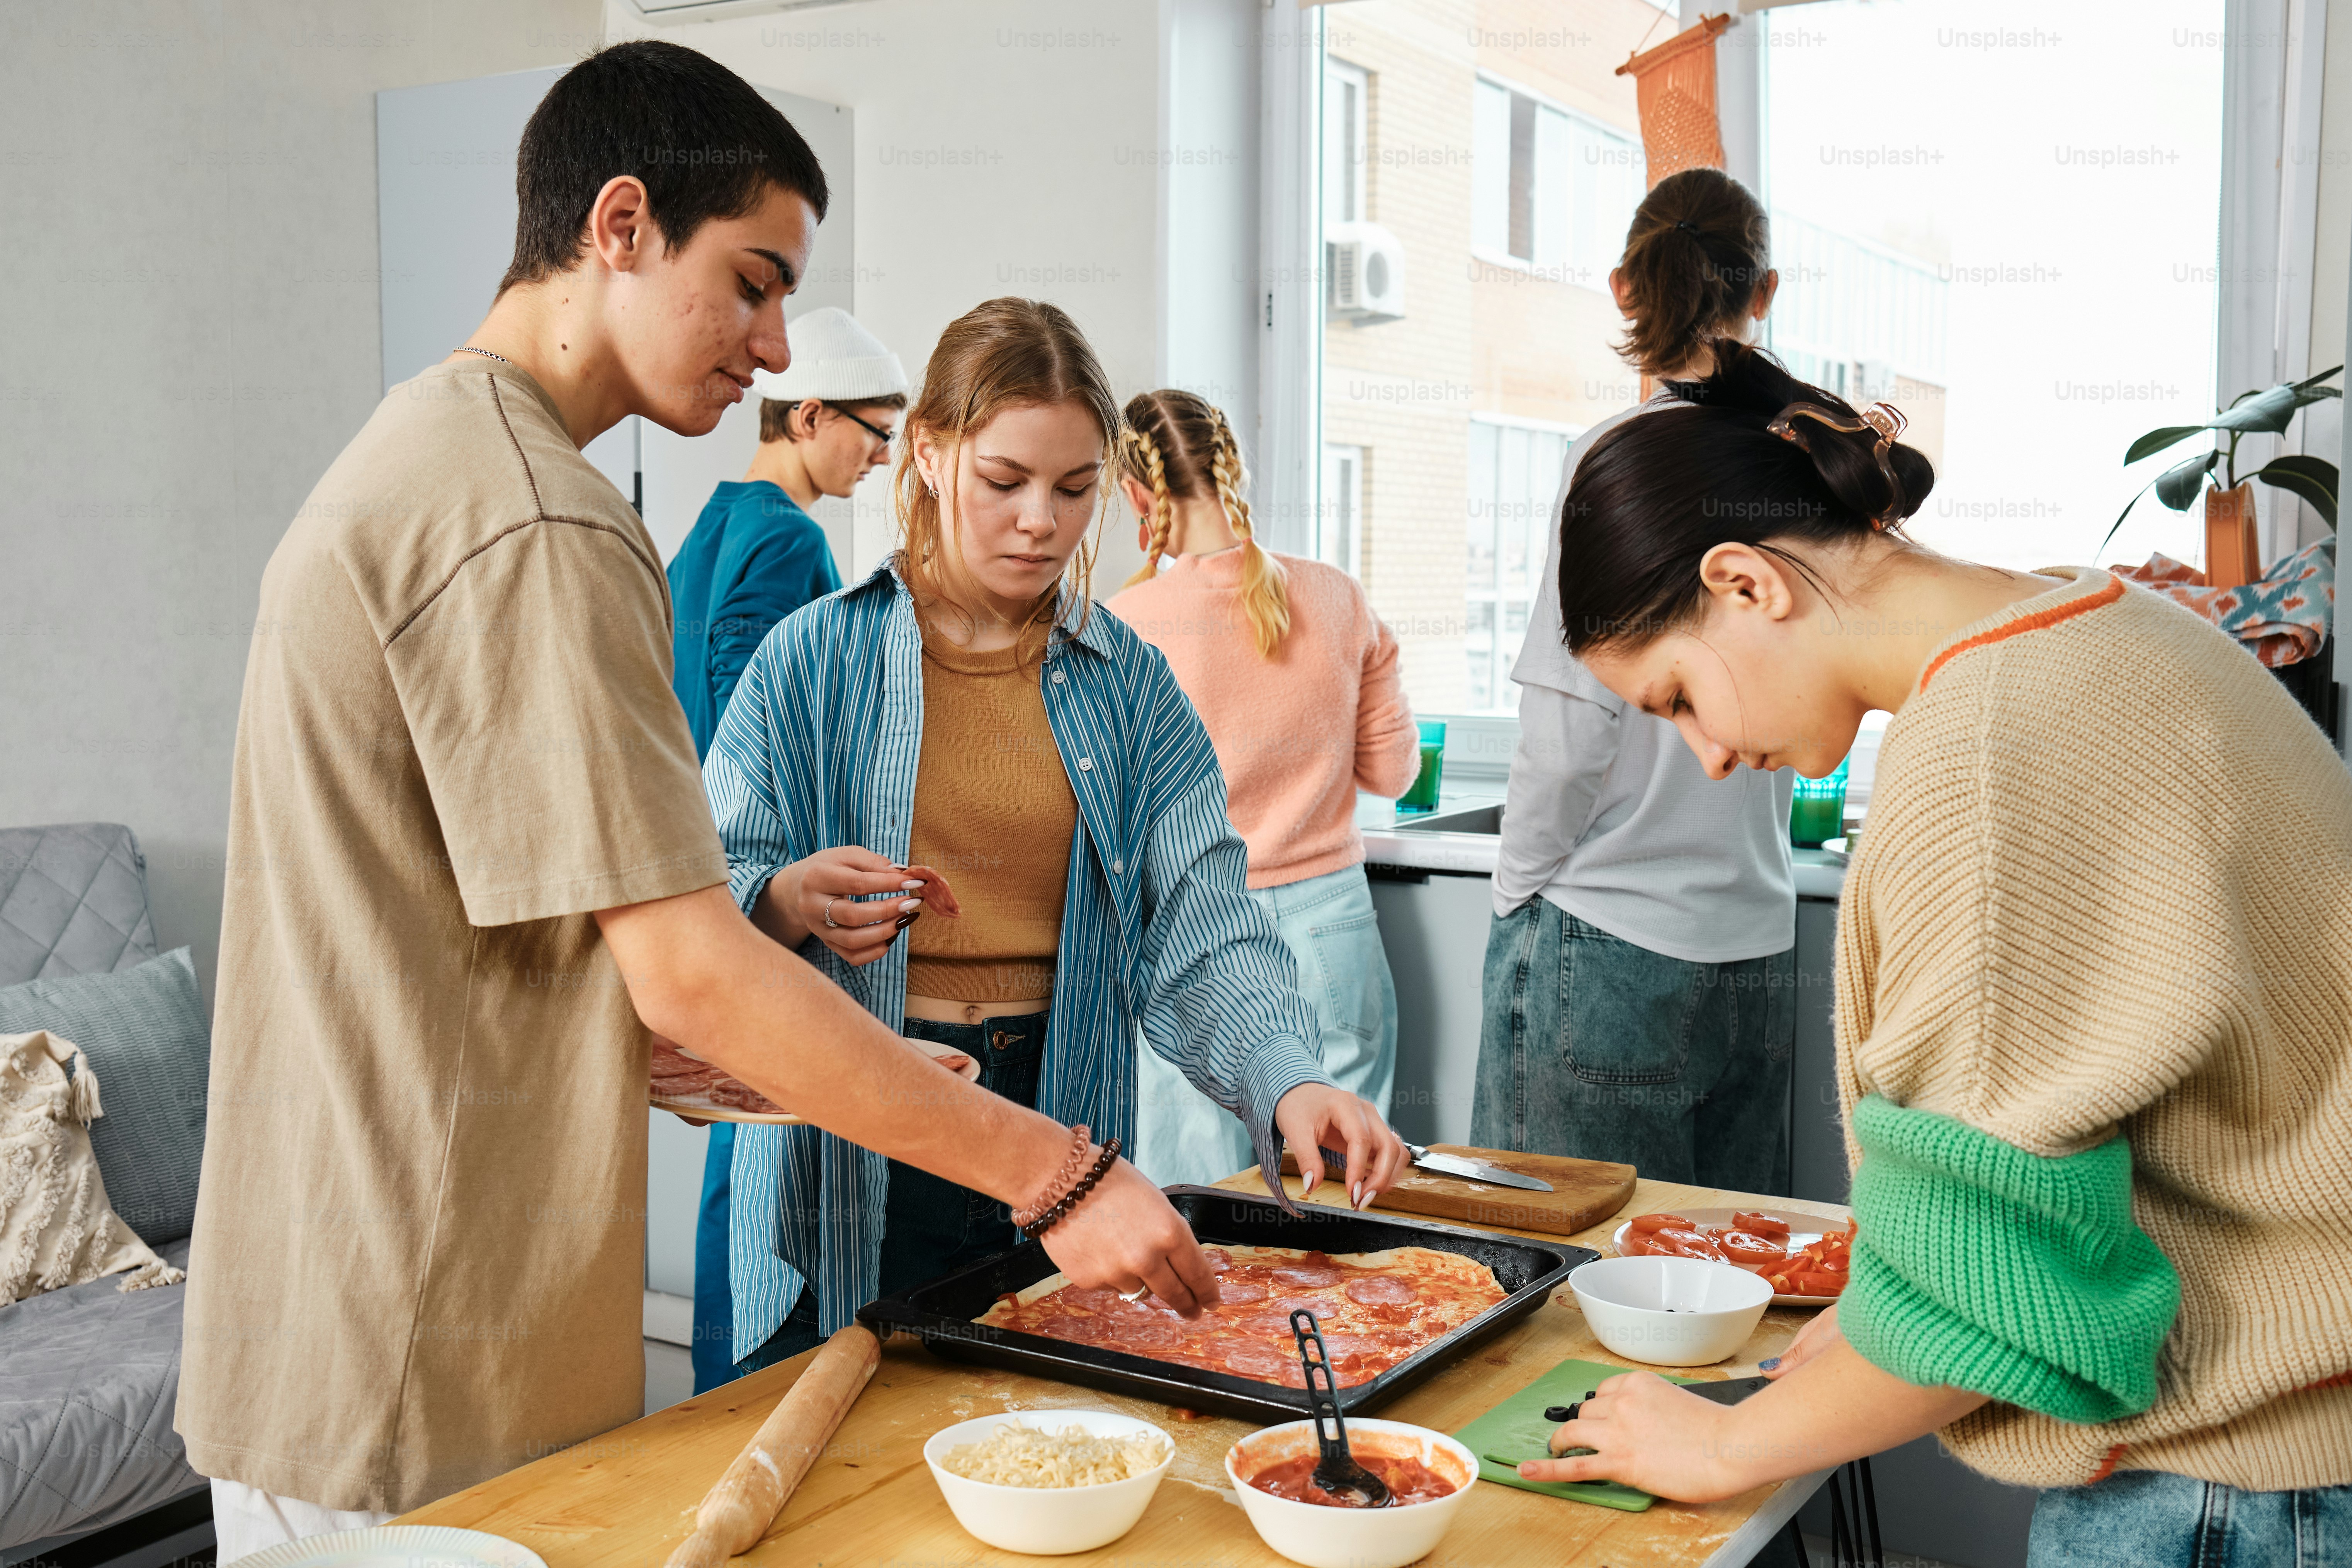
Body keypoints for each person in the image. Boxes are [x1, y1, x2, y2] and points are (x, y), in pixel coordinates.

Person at [178, 47, 1232, 1562]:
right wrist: (1054, 1171)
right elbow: (685, 954)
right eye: (751, 283)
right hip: (414, 1336)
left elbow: (472, 922)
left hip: (330, 1312)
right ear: (618, 226)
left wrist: (700, 1053)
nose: (776, 345)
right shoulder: (536, 514)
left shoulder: (431, 453)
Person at [1511, 341, 2352, 1565]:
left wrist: (1726, 1445)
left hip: (2233, 1490)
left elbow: (1996, 1309)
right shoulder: (2090, 622)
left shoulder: (1987, 756)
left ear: (1747, 584)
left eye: (1678, 697)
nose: (1702, 753)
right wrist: (1866, 1320)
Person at [705, 298, 1409, 1367]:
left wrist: (1287, 1075)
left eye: (1076, 490)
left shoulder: (1130, 686)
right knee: (842, 1439)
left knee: (1029, 1433)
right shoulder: (811, 659)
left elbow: (1204, 927)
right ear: (932, 454)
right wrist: (782, 896)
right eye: (1006, 482)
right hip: (859, 1121)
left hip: (1057, 1118)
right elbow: (705, 885)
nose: (1042, 519)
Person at [1473, 166, 1796, 1193]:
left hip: (1606, 934)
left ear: (1625, 288)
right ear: (1766, 290)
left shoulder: (1617, 459)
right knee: (1730, 1280)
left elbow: (1571, 729)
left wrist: (1517, 892)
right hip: (1755, 943)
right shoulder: (1798, 461)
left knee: (1560, 1281)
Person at [666, 306, 908, 1392]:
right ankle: (752, 1401)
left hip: (706, 882)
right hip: (758, 892)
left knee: (741, 1151)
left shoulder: (707, 526)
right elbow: (742, 716)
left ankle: (725, 1396)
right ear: (807, 413)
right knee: (767, 1158)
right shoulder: (787, 537)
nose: (883, 456)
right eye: (872, 430)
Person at [1104, 390, 1418, 1187]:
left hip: (1193, 930)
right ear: (1228, 468)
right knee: (1355, 1176)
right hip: (1333, 922)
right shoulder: (1338, 595)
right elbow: (1393, 772)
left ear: (1138, 495)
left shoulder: (1124, 621)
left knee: (1200, 1196)